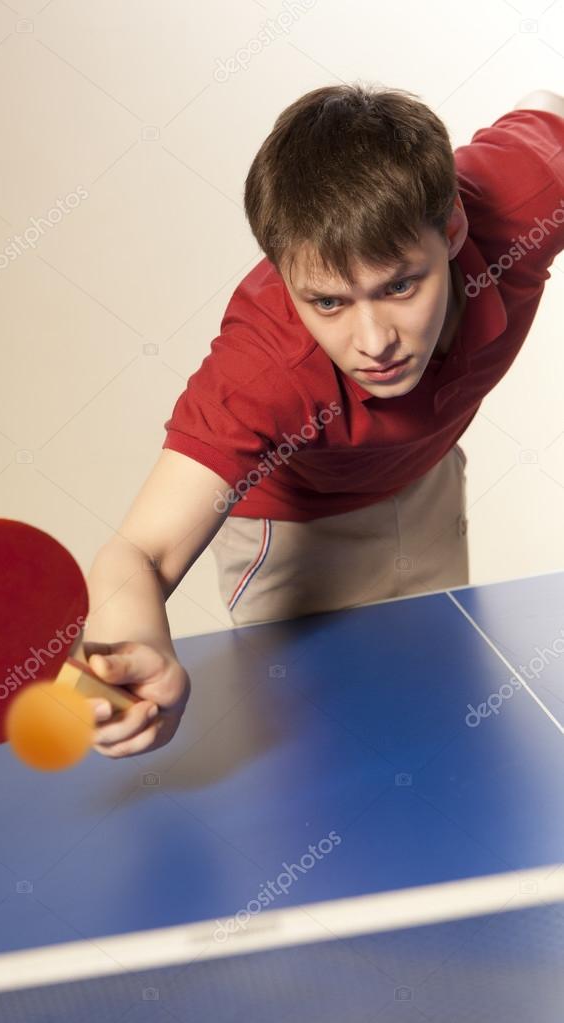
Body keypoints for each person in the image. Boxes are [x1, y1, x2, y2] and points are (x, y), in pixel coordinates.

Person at [83, 82, 564, 759]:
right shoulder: (262, 370)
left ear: (453, 229)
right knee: (328, 761)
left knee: (441, 727)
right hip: (293, 532)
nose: (374, 340)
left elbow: (552, 107)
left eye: (399, 285)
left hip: (424, 482)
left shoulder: (523, 199)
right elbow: (140, 552)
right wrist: (133, 655)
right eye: (329, 302)